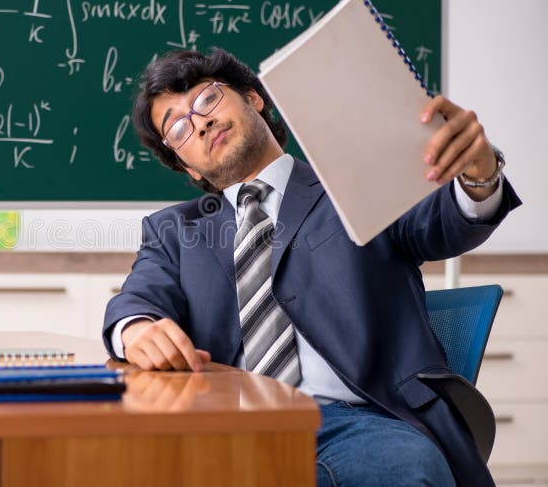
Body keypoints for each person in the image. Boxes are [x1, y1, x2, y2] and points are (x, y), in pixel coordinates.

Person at [102, 48, 521, 486]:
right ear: (187, 167)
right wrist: (136, 329)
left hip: (360, 424)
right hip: (228, 427)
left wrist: (478, 174)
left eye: (207, 99)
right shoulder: (174, 231)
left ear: (253, 98)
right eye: (179, 127)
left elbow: (443, 224)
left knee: (405, 468)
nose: (201, 121)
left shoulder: (353, 184)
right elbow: (136, 301)